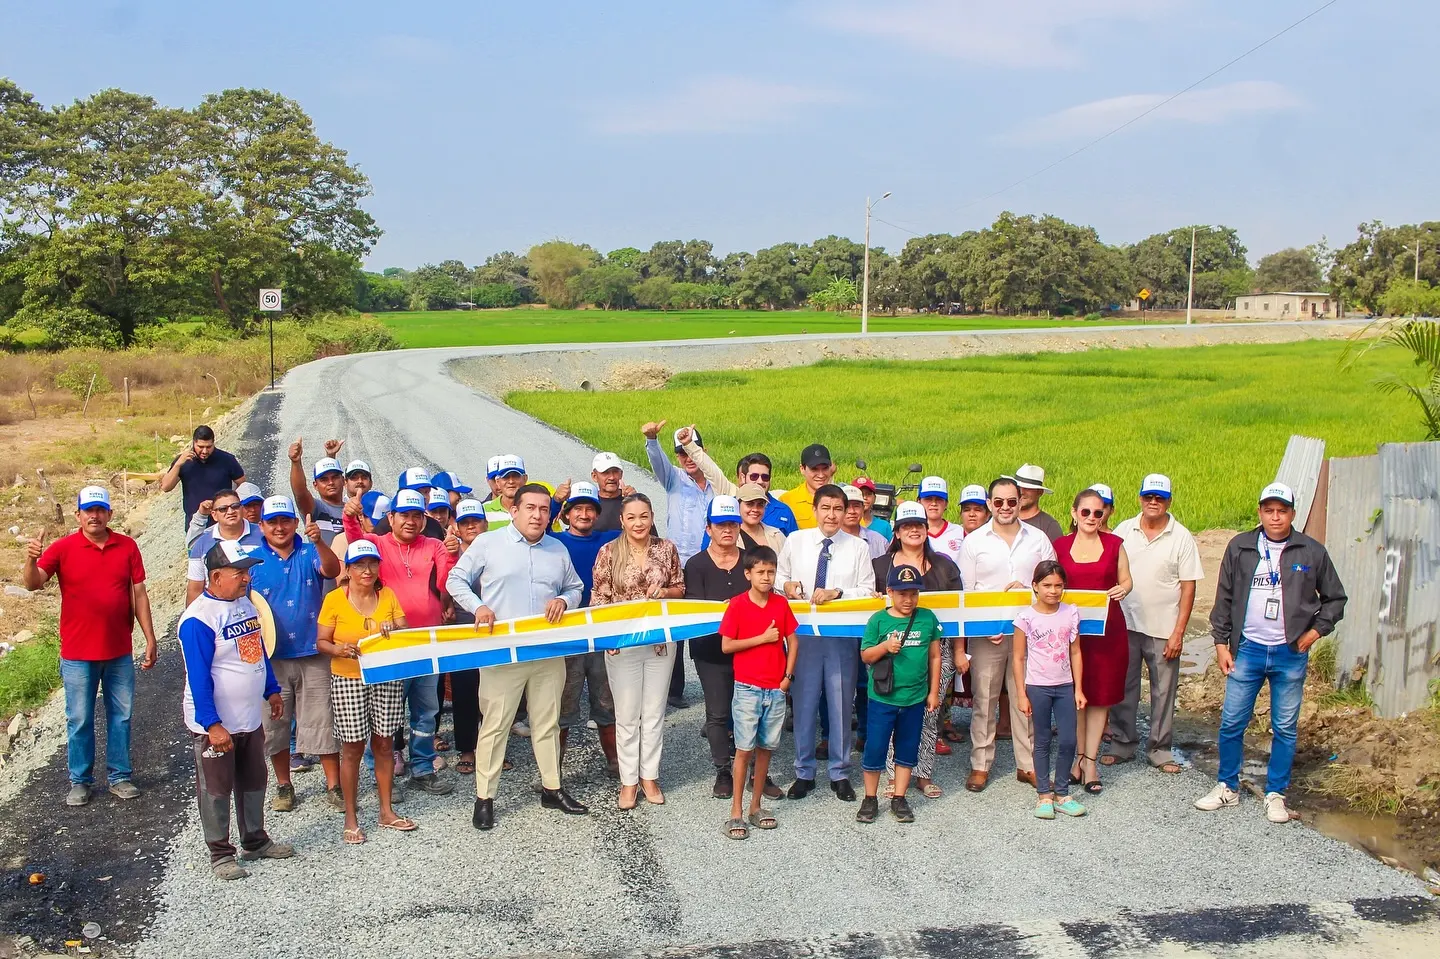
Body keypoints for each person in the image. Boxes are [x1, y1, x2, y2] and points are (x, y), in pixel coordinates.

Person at [1195, 483, 1346, 824]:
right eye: (1269, 510)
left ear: (1292, 513)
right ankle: (1227, 787)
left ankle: (1276, 793)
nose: (1275, 517)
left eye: (1282, 511)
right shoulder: (1241, 547)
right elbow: (1225, 598)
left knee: (1284, 727)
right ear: (1260, 512)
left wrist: (1313, 633)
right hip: (1247, 648)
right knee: (1232, 722)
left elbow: (1335, 599)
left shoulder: (1310, 551)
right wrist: (1221, 643)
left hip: (1289, 652)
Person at [446, 483, 589, 831]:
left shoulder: (556, 550)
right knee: (495, 726)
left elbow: (576, 588)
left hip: (545, 650)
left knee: (547, 722)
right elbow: (455, 579)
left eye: (544, 509)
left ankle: (552, 789)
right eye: (531, 508)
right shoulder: (488, 543)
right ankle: (485, 797)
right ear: (514, 510)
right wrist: (478, 606)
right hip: (502, 653)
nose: (538, 515)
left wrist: (565, 601)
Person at [23, 486, 157, 806]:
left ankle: (119, 776)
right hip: (77, 654)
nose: (94, 516)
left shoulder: (127, 547)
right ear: (78, 514)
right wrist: (30, 560)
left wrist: (149, 637)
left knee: (121, 716)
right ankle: (80, 780)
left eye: (100, 510)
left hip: (118, 651)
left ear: (110, 514)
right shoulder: (62, 548)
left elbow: (139, 594)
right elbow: (32, 583)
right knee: (79, 718)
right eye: (88, 511)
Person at [177, 540, 293, 880]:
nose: (246, 578)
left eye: (247, 572)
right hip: (217, 723)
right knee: (216, 787)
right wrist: (212, 724)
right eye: (239, 573)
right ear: (215, 576)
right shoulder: (198, 619)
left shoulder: (244, 605)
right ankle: (220, 853)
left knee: (254, 778)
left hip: (248, 717)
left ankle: (255, 840)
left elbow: (256, 650)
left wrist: (271, 689)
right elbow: (198, 678)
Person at [341, 489, 456, 795]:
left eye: (417, 515)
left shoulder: (434, 545)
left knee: (426, 709)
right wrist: (350, 514)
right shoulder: (377, 544)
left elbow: (445, 582)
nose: (411, 521)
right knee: (386, 712)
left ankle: (422, 766)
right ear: (390, 517)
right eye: (404, 515)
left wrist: (453, 553)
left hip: (426, 641)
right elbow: (355, 541)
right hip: (390, 643)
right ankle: (381, 773)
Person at [957, 477, 1057, 792]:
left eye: (1011, 501)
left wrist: (1027, 592)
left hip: (1029, 635)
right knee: (984, 699)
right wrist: (983, 627)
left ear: (1020, 501)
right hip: (988, 635)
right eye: (998, 502)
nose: (1004, 508)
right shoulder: (974, 542)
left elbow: (1052, 585)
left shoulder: (1039, 539)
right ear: (989, 504)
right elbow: (967, 594)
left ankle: (1027, 765)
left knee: (1024, 700)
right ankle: (980, 764)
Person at [777, 483, 876, 801]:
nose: (832, 515)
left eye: (838, 509)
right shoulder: (796, 540)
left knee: (840, 704)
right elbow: (777, 577)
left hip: (840, 638)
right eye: (826, 508)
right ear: (815, 510)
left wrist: (838, 593)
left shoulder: (857, 546)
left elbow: (868, 590)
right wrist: (787, 584)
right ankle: (803, 771)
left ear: (846, 511)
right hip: (803, 637)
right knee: (804, 705)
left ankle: (840, 772)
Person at [316, 540, 415, 844]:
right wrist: (339, 649)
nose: (367, 570)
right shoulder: (334, 599)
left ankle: (386, 811)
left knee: (384, 742)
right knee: (353, 747)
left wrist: (393, 630)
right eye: (359, 564)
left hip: (384, 677)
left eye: (372, 563)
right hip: (348, 677)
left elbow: (404, 629)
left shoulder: (387, 595)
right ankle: (351, 816)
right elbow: (321, 642)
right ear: (348, 570)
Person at [250, 495, 343, 813]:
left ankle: (334, 786)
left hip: (312, 651)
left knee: (322, 720)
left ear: (295, 523)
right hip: (270, 657)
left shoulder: (308, 552)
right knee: (275, 724)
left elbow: (332, 570)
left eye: (285, 520)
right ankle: (283, 785)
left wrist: (319, 542)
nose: (279, 527)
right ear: (261, 525)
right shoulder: (251, 559)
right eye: (272, 521)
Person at [593, 493, 685, 808]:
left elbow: (680, 589)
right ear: (622, 520)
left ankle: (650, 775)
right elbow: (599, 599)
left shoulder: (667, 548)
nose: (638, 523)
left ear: (651, 516)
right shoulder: (608, 552)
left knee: (655, 711)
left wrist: (665, 593)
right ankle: (629, 781)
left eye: (643, 516)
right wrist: (608, 639)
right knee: (628, 714)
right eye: (631, 517)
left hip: (659, 642)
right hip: (622, 645)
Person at [1108, 474, 1204, 774]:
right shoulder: (1125, 529)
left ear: (1168, 502)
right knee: (1124, 688)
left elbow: (1188, 587)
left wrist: (1179, 632)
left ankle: (1160, 749)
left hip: (1164, 628)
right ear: (1140, 498)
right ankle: (1122, 743)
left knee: (1163, 691)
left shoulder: (1181, 537)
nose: (1153, 502)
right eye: (1148, 497)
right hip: (1126, 623)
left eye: (1159, 498)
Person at [872, 501, 964, 799]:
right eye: (906, 525)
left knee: (927, 712)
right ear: (896, 531)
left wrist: (960, 651)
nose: (913, 530)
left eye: (919, 525)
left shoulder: (945, 565)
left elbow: (962, 613)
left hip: (937, 649)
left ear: (927, 529)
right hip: (891, 652)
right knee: (890, 711)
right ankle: (892, 775)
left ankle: (923, 773)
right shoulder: (880, 567)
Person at [1054, 489, 1132, 795]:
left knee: (1100, 696)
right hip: (1070, 635)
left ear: (1105, 515)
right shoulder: (1059, 546)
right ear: (1074, 513)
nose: (1091, 518)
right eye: (1085, 512)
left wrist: (1123, 589)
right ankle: (1077, 758)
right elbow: (1048, 580)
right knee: (1076, 695)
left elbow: (1127, 579)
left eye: (1097, 513)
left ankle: (1090, 760)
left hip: (1107, 632)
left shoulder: (1115, 544)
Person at [684, 496, 762, 800]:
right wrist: (726, 611)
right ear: (708, 528)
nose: (727, 530)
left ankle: (755, 769)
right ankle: (723, 770)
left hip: (751, 649)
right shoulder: (697, 564)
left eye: (732, 524)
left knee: (752, 711)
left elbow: (763, 598)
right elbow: (694, 607)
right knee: (717, 713)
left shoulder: (751, 560)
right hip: (711, 651)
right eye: (720, 525)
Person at [719, 546, 799, 839]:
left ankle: (756, 806)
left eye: (771, 572)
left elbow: (793, 640)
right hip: (748, 688)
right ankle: (735, 812)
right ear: (748, 574)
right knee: (744, 749)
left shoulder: (780, 604)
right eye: (761, 572)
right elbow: (727, 645)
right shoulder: (738, 605)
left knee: (766, 749)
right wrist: (761, 638)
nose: (766, 577)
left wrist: (787, 678)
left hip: (775, 688)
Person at [857, 563, 941, 824]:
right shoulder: (878, 620)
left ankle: (899, 797)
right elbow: (865, 655)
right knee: (876, 748)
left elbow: (935, 656)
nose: (908, 599)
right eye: (902, 593)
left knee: (907, 748)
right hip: (883, 697)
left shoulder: (927, 618)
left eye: (913, 593)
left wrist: (934, 692)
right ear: (890, 592)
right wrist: (884, 646)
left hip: (915, 697)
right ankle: (870, 798)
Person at [550, 482, 621, 778]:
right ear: (567, 515)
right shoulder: (554, 542)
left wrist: (626, 497)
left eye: (589, 509)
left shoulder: (610, 540)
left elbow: (641, 527)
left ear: (597, 514)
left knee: (606, 702)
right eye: (577, 508)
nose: (583, 514)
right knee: (563, 705)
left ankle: (617, 763)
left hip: (602, 632)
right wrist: (555, 502)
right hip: (568, 634)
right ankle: (553, 769)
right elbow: (537, 525)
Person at [642, 422, 713, 707]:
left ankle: (712, 684)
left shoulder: (717, 486)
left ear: (701, 451)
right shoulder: (674, 479)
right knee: (673, 627)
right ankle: (674, 690)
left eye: (690, 451)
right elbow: (658, 462)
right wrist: (651, 439)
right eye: (681, 453)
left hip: (708, 564)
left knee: (706, 621)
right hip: (675, 565)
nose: (687, 458)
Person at [1011, 560, 1088, 820]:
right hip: (1038, 686)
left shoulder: (1070, 613)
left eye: (1058, 585)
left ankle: (1063, 792)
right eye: (1047, 585)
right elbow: (1019, 658)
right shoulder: (1025, 618)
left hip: (1065, 685)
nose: (1053, 591)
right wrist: (1022, 694)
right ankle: (1044, 794)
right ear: (1035, 586)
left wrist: (1079, 688)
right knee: (1042, 739)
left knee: (1068, 739)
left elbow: (1075, 651)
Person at [675, 428, 798, 536]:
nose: (760, 481)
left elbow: (793, 550)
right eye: (754, 476)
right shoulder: (732, 496)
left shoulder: (783, 511)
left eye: (765, 477)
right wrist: (689, 445)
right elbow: (711, 470)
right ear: (743, 478)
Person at [446, 498, 490, 776]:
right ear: (457, 528)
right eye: (464, 522)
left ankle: (492, 749)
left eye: (475, 520)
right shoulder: (451, 554)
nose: (471, 525)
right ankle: (466, 749)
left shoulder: (499, 550)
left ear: (486, 523)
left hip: (494, 630)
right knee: (464, 692)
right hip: (462, 630)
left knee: (494, 694)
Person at [186, 489, 265, 605]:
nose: (230, 511)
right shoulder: (201, 544)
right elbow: (195, 589)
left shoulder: (264, 535)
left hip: (264, 610)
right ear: (214, 515)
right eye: (223, 509)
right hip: (219, 614)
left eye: (235, 506)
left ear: (242, 509)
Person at [160, 425, 245, 531]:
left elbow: (242, 484)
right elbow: (166, 487)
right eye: (200, 447)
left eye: (209, 447)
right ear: (193, 443)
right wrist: (177, 465)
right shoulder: (183, 462)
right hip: (195, 525)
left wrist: (233, 505)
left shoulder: (227, 460)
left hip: (224, 524)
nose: (204, 451)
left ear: (213, 443)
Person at [287, 438, 346, 546]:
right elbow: (300, 492)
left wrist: (330, 457)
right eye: (324, 480)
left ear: (343, 480)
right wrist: (296, 462)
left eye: (335, 477)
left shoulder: (353, 508)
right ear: (315, 485)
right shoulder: (315, 509)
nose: (331, 482)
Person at [777, 443, 836, 530]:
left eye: (825, 468)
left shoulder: (842, 498)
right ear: (802, 469)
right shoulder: (787, 500)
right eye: (814, 469)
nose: (821, 475)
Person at [376, 468, 447, 540]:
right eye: (418, 492)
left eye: (426, 492)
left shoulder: (434, 526)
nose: (424, 497)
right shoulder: (384, 526)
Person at [918, 476, 964, 563]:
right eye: (928, 499)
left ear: (946, 503)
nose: (934, 503)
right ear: (919, 501)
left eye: (939, 499)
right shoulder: (912, 532)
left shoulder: (959, 531)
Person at [1015, 464, 1064, 542]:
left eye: (1028, 488)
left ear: (1040, 492)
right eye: (1018, 487)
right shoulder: (1003, 518)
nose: (1021, 492)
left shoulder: (1049, 526)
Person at [736, 483, 786, 552]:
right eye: (749, 504)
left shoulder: (777, 536)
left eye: (760, 504)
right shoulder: (731, 537)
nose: (755, 509)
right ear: (738, 505)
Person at [842, 485, 889, 558]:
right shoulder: (828, 540)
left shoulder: (879, 542)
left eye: (856, 506)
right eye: (847, 506)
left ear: (863, 508)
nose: (852, 511)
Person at [590, 451, 628, 532]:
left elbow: (651, 536)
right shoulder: (589, 502)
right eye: (605, 472)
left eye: (615, 471)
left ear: (621, 474)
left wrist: (635, 501)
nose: (612, 477)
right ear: (594, 476)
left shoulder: (630, 501)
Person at [853, 476, 892, 541]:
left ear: (875, 498)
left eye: (868, 494)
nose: (865, 497)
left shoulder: (884, 526)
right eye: (861, 494)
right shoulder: (845, 525)